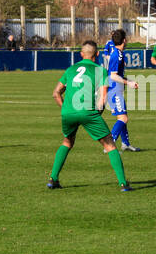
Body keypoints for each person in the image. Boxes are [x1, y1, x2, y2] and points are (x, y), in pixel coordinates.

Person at [47, 40, 130, 191]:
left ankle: (53, 179)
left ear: (81, 54)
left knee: (67, 142)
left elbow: (56, 93)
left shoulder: (71, 69)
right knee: (110, 145)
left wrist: (65, 109)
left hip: (68, 112)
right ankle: (123, 183)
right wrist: (97, 113)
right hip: (88, 112)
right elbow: (103, 97)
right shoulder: (100, 70)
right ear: (97, 54)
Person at [103, 28, 140, 152]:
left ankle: (125, 144)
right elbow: (112, 75)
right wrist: (128, 82)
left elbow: (116, 74)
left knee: (122, 117)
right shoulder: (116, 55)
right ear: (124, 40)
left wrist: (128, 81)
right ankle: (109, 145)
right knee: (123, 118)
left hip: (116, 89)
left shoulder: (118, 53)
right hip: (114, 90)